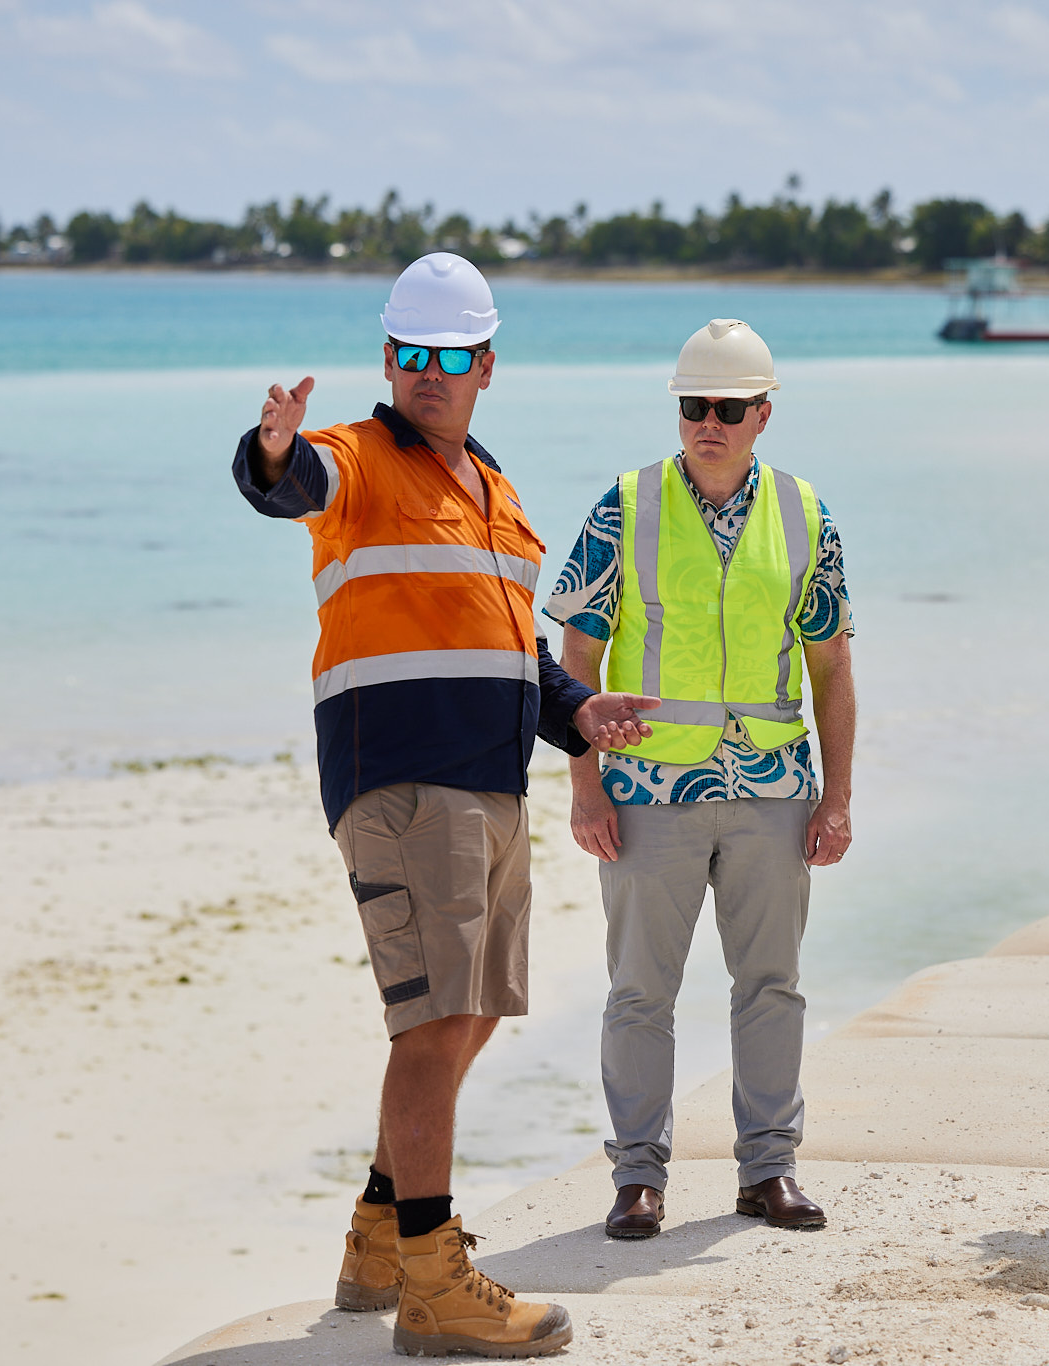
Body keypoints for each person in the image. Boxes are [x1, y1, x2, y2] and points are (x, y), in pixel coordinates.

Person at [233, 252, 657, 1357]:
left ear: (484, 366)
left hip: (489, 782)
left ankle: (381, 1230)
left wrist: (580, 714)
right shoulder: (357, 458)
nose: (429, 373)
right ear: (388, 359)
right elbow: (290, 483)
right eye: (410, 355)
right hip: (402, 780)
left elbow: (509, 647)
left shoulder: (495, 488)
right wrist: (271, 445)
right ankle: (430, 1278)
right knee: (431, 1025)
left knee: (468, 1014)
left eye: (450, 357)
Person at [545, 319, 857, 1239]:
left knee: (771, 984)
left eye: (726, 408)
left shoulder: (805, 513)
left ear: (763, 413)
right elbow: (576, 653)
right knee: (640, 991)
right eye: (693, 407)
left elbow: (831, 666)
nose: (707, 424)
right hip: (648, 794)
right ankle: (637, 1178)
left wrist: (836, 797)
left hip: (772, 789)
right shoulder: (625, 504)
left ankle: (768, 1170)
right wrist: (584, 788)